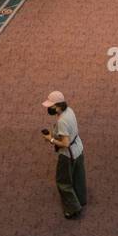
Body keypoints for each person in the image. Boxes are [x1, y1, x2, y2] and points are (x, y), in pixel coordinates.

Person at [41, 90, 86, 219]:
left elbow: (65, 143)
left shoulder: (62, 121)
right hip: (78, 148)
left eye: (51, 106)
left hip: (68, 154)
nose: (49, 108)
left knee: (63, 181)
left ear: (58, 105)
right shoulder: (69, 111)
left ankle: (72, 209)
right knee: (78, 176)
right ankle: (81, 199)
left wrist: (50, 139)